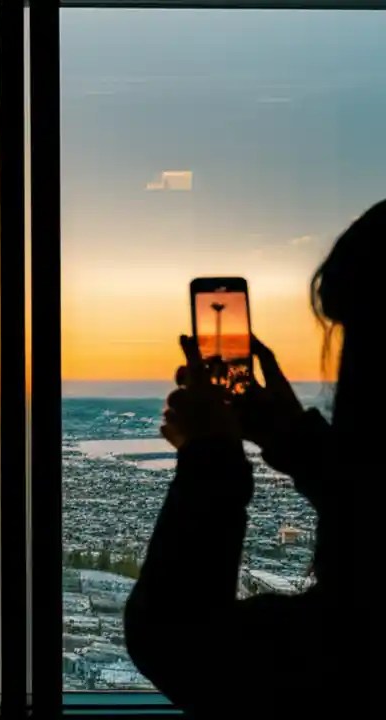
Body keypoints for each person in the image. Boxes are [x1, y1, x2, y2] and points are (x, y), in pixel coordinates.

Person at [124, 201, 379, 717]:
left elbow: (176, 640)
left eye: (361, 341)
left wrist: (211, 460)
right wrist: (294, 439)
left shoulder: (349, 642)